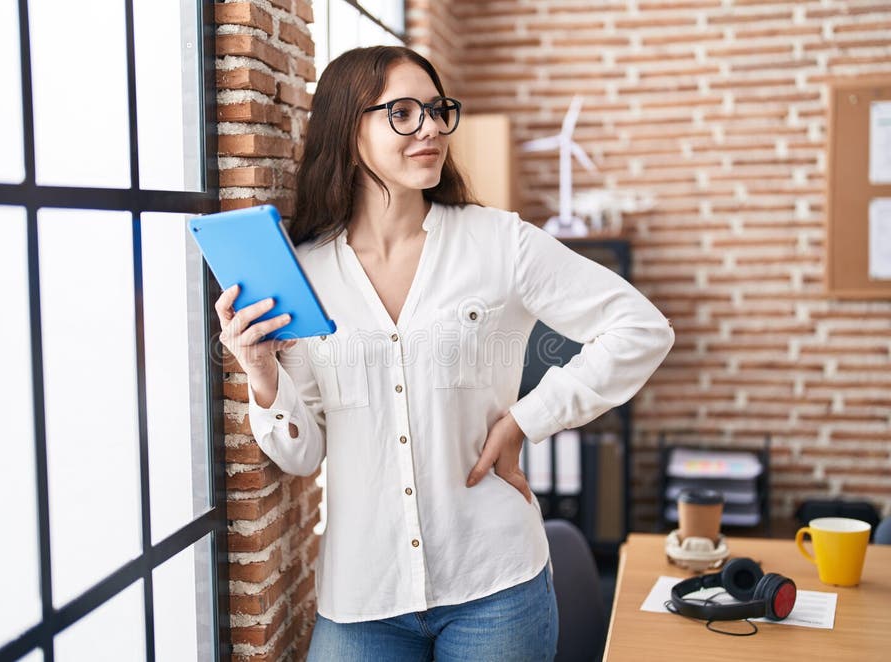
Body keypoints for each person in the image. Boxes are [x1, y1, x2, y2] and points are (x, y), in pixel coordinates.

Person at [216, 45, 675, 661]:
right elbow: (303, 454)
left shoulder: (499, 242)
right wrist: (262, 373)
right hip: (362, 598)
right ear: (347, 128)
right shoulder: (307, 273)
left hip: (496, 586)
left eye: (436, 110)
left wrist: (527, 419)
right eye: (402, 112)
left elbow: (640, 328)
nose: (430, 127)